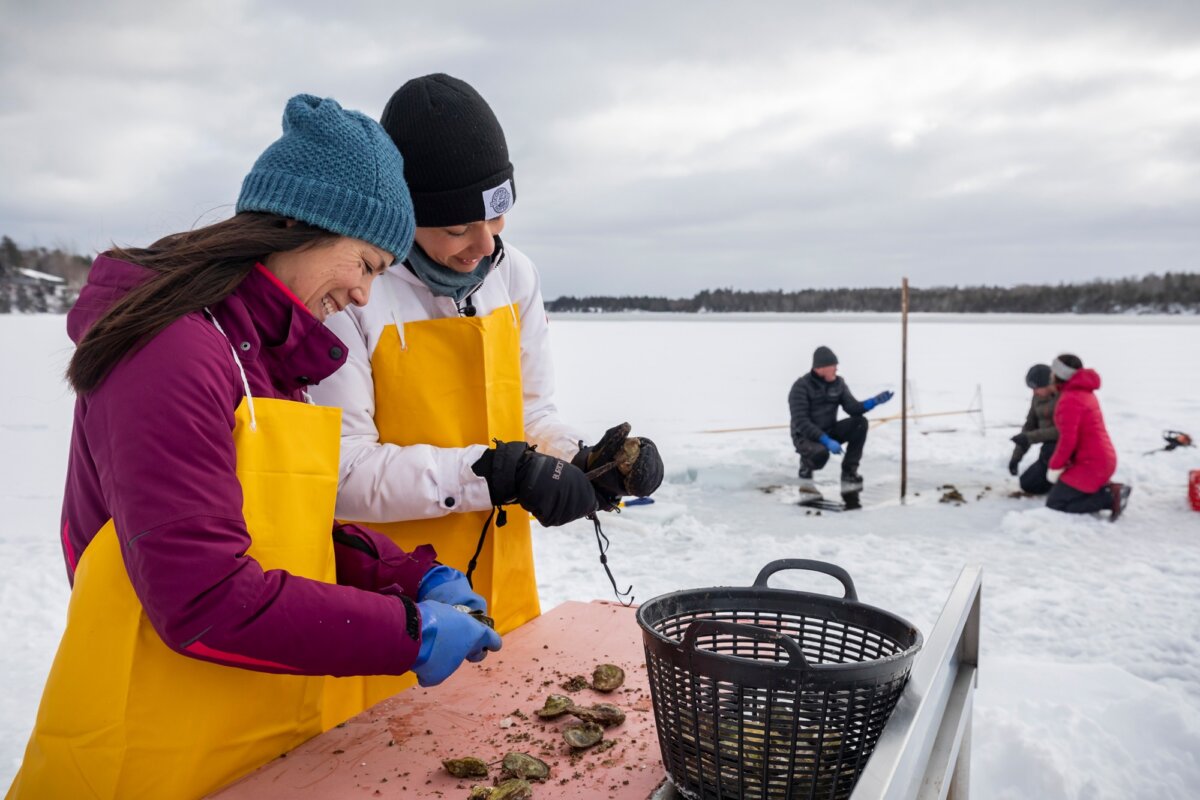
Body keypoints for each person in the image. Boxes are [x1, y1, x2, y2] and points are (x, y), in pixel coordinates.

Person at [6, 95, 501, 800]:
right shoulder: (172, 352)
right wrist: (406, 632)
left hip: (244, 736)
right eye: (363, 262)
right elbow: (202, 597)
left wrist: (407, 576)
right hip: (147, 752)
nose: (364, 295)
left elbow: (280, 528)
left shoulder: (263, 355)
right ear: (300, 227)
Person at [309, 73, 663, 671]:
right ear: (403, 212)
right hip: (395, 593)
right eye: (455, 229)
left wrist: (580, 459)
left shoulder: (513, 275)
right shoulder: (353, 292)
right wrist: (495, 473)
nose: (484, 244)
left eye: (496, 218)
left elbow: (531, 412)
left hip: (503, 574)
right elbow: (341, 472)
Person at [788, 346, 893, 493]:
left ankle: (849, 472)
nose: (836, 369)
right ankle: (806, 466)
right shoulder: (801, 387)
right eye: (833, 365)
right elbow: (801, 422)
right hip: (806, 437)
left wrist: (873, 402)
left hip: (829, 430)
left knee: (860, 423)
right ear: (821, 367)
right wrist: (825, 440)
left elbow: (852, 408)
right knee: (821, 453)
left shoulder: (839, 383)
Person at [1044, 354, 1131, 519]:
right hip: (1100, 460)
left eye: (1052, 373)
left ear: (1059, 376)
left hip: (1092, 465)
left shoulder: (1070, 400)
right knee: (1062, 493)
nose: (1050, 377)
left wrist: (1055, 466)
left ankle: (1110, 498)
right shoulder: (1083, 393)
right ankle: (1107, 489)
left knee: (1055, 504)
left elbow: (1068, 441)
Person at [1009, 363, 1059, 494]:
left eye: (1037, 388)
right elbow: (1030, 425)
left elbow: (1062, 431)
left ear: (1049, 383)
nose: (1034, 392)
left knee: (1050, 449)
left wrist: (1029, 437)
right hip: (1049, 450)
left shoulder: (1064, 398)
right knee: (1028, 483)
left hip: (1065, 448)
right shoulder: (1037, 397)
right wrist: (1016, 457)